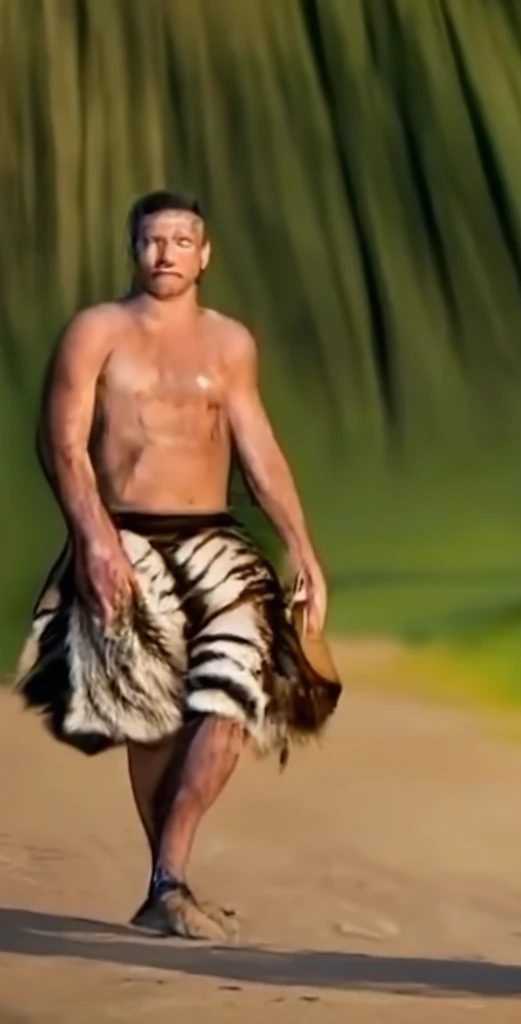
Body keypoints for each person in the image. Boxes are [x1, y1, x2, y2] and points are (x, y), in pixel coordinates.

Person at [13, 190, 343, 942]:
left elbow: (259, 449)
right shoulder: (96, 332)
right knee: (153, 716)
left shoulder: (230, 345)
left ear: (205, 254)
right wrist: (94, 540)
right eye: (153, 239)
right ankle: (168, 883)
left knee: (237, 690)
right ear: (135, 249)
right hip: (123, 534)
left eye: (182, 240)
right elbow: (62, 444)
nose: (166, 252)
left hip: (213, 538)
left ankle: (170, 871)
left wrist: (302, 547)